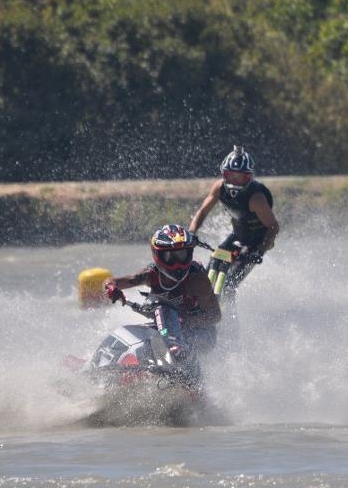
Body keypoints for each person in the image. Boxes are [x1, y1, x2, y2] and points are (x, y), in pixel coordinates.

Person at [102, 224, 221, 355]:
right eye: (170, 257)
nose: (177, 264)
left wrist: (183, 319)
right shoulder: (150, 274)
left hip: (202, 334)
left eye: (181, 255)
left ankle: (181, 361)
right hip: (168, 329)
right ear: (157, 254)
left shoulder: (197, 279)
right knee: (142, 336)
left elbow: (214, 317)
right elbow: (114, 282)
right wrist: (111, 288)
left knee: (163, 310)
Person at [188, 146, 279, 298]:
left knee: (229, 285)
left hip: (255, 245)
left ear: (249, 177)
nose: (235, 182)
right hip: (237, 237)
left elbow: (273, 227)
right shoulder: (218, 188)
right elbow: (202, 212)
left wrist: (260, 251)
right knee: (215, 262)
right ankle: (201, 306)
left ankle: (229, 320)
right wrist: (191, 233)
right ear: (223, 174)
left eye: (240, 177)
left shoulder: (256, 199)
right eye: (230, 176)